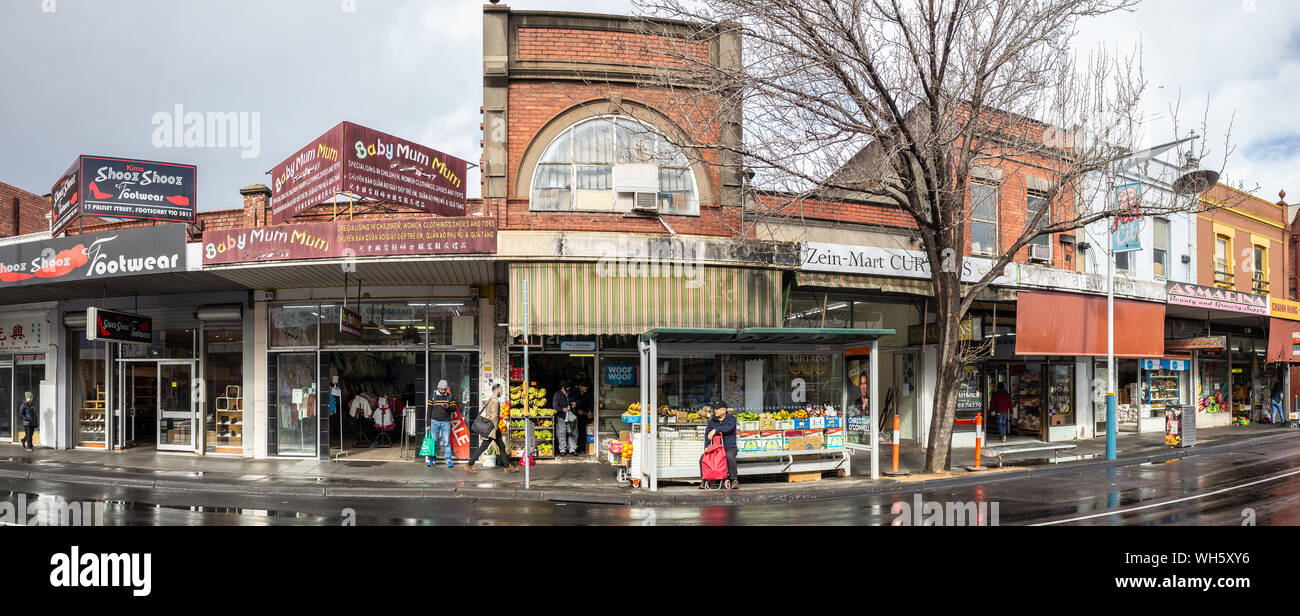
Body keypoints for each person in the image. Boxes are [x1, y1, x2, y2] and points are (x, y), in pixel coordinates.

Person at [466, 382, 519, 474]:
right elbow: (494, 417)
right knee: (484, 446)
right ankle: (469, 464)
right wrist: (494, 430)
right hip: (491, 428)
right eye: (501, 390)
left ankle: (507, 466)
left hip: (492, 427)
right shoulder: (495, 401)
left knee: (501, 446)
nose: (502, 392)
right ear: (497, 391)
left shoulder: (491, 398)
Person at [704, 402, 738, 489]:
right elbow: (707, 435)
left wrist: (716, 430)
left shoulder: (731, 419)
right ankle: (705, 480)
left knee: (729, 456)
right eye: (714, 408)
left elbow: (729, 428)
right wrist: (706, 447)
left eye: (717, 408)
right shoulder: (712, 421)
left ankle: (734, 479)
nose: (715, 410)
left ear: (724, 410)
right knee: (703, 458)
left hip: (729, 447)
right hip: (716, 448)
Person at [427, 380, 455, 468]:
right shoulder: (433, 396)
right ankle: (432, 460)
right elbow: (429, 410)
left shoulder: (449, 396)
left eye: (444, 389)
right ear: (438, 388)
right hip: (434, 422)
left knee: (446, 442)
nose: (443, 391)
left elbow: (454, 408)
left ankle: (448, 460)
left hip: (446, 422)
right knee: (434, 442)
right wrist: (428, 424)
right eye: (441, 389)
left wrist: (448, 407)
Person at [552, 383, 575, 456]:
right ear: (562, 388)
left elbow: (578, 400)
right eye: (565, 391)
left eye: (568, 391)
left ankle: (573, 449)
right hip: (561, 416)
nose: (566, 392)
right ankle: (562, 450)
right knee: (561, 433)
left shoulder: (572, 393)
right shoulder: (557, 394)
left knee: (572, 433)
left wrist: (576, 403)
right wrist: (562, 409)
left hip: (571, 417)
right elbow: (554, 406)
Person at [573, 382, 593, 457]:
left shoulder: (589, 393)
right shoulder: (574, 392)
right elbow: (571, 401)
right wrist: (577, 409)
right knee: (574, 432)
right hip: (574, 414)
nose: (584, 391)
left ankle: (582, 448)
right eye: (583, 389)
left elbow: (591, 403)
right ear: (580, 386)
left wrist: (590, 411)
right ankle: (574, 448)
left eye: (586, 389)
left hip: (584, 415)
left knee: (582, 431)